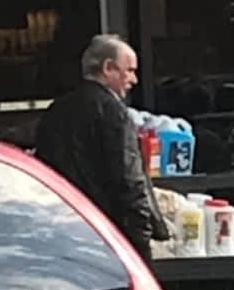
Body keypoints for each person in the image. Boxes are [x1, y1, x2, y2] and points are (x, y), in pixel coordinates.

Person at [34, 33, 162, 262]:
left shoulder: (55, 111)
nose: (134, 80)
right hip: (108, 235)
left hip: (65, 234)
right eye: (130, 70)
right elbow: (129, 182)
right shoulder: (114, 113)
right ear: (108, 68)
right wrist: (141, 247)